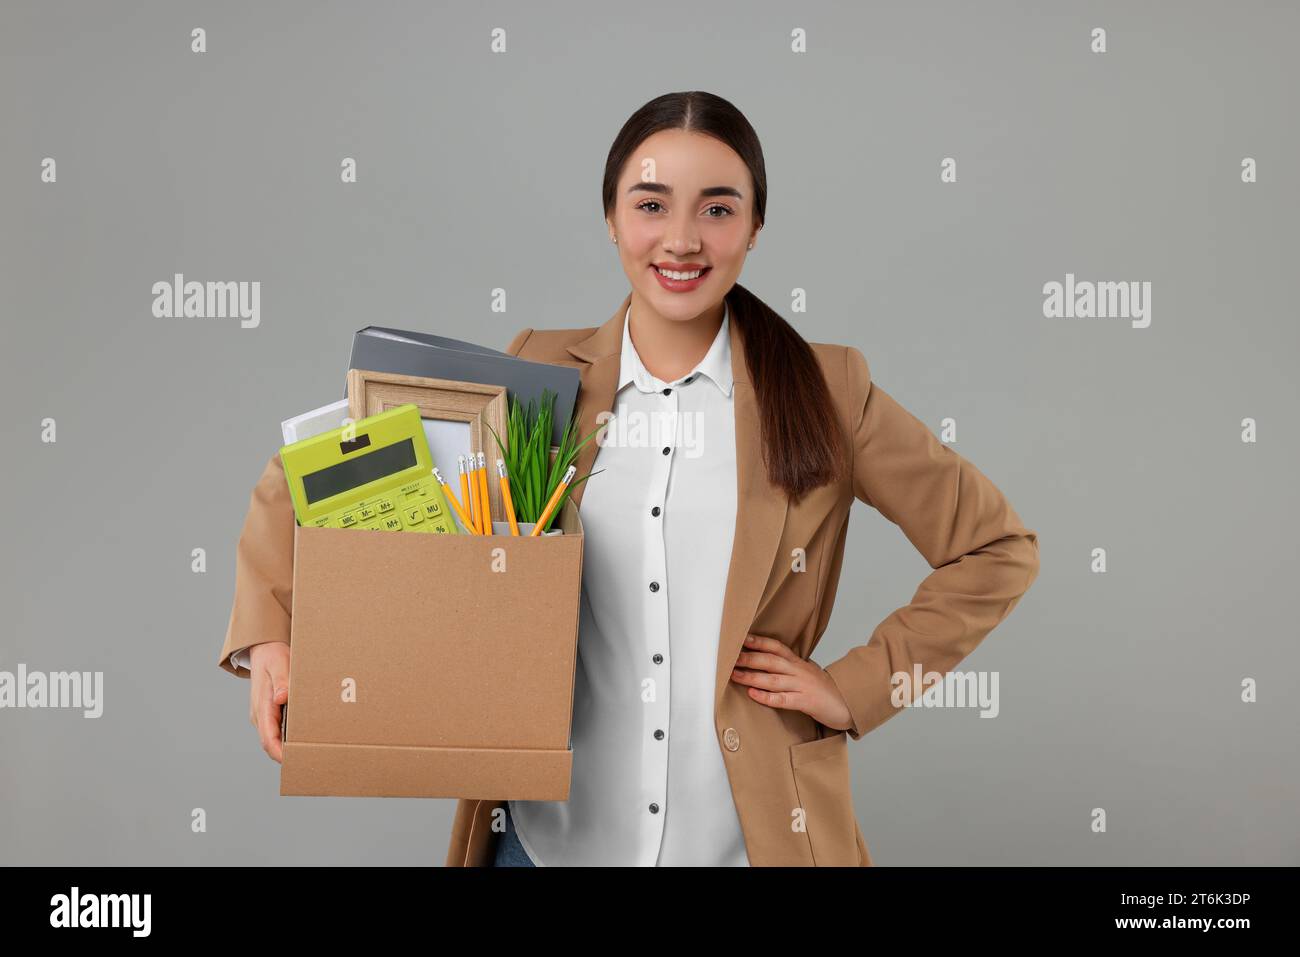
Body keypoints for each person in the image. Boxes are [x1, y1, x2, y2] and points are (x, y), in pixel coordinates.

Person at [220, 91, 1041, 867]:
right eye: (651, 204)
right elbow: (309, 471)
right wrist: (271, 638)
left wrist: (854, 687)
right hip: (544, 843)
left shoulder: (829, 390)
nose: (682, 239)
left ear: (755, 227)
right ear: (610, 217)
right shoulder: (538, 373)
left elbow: (996, 549)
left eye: (717, 207)